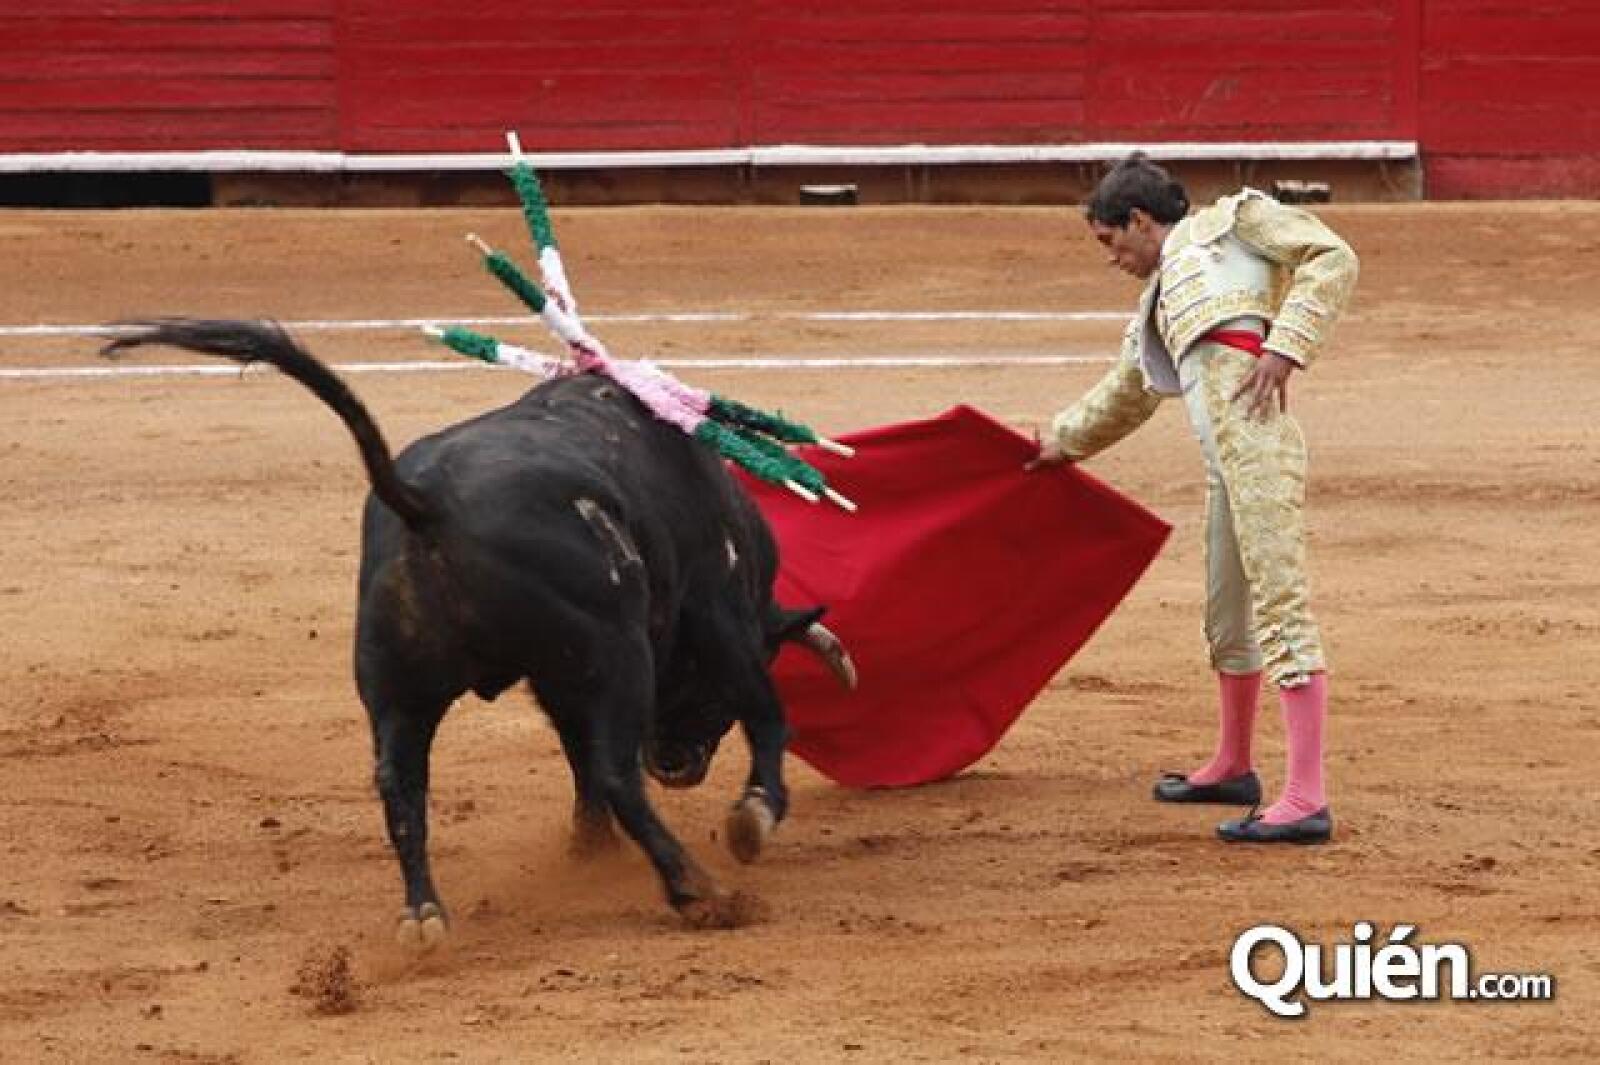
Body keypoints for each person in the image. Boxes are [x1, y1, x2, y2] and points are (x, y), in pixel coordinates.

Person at [1029, 153, 1358, 844]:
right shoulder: (1158, 301)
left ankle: (1306, 796)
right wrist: (1060, 440)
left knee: (1280, 601)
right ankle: (1234, 763)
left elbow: (1332, 257)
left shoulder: (1236, 222)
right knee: (1228, 611)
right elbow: (1129, 392)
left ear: (1140, 220)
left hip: (1260, 448)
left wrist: (1286, 348)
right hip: (1225, 466)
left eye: (1110, 240)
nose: (1111, 257)